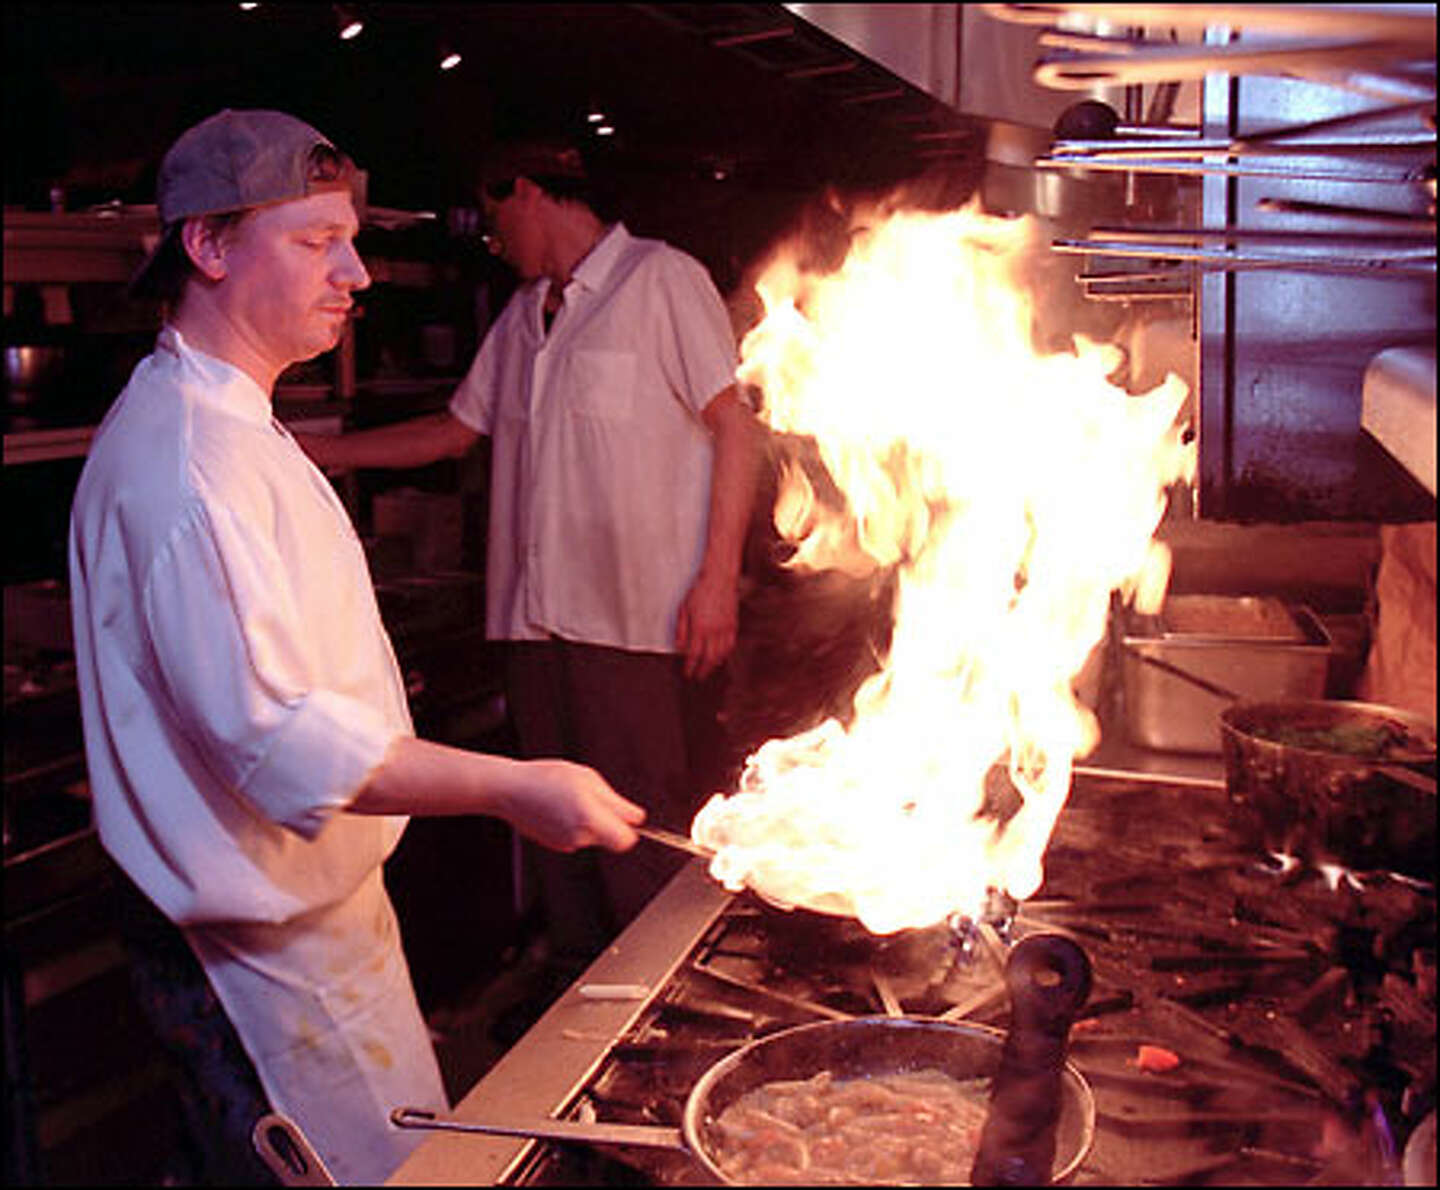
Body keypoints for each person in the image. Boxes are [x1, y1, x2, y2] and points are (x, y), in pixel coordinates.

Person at [67, 109, 646, 1186]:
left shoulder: (237, 419)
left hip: (322, 925)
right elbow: (283, 741)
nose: (357, 273)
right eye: (314, 240)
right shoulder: (188, 468)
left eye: (353, 237)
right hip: (253, 964)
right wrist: (517, 786)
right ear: (208, 245)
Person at [298, 137, 759, 979]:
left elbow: (736, 427)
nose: (492, 239)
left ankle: (661, 1013)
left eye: (495, 215)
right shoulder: (522, 318)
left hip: (632, 621)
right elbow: (452, 430)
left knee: (639, 837)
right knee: (559, 842)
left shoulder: (661, 280)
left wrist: (717, 580)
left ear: (526, 191)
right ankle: (574, 1015)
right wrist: (318, 452)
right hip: (531, 622)